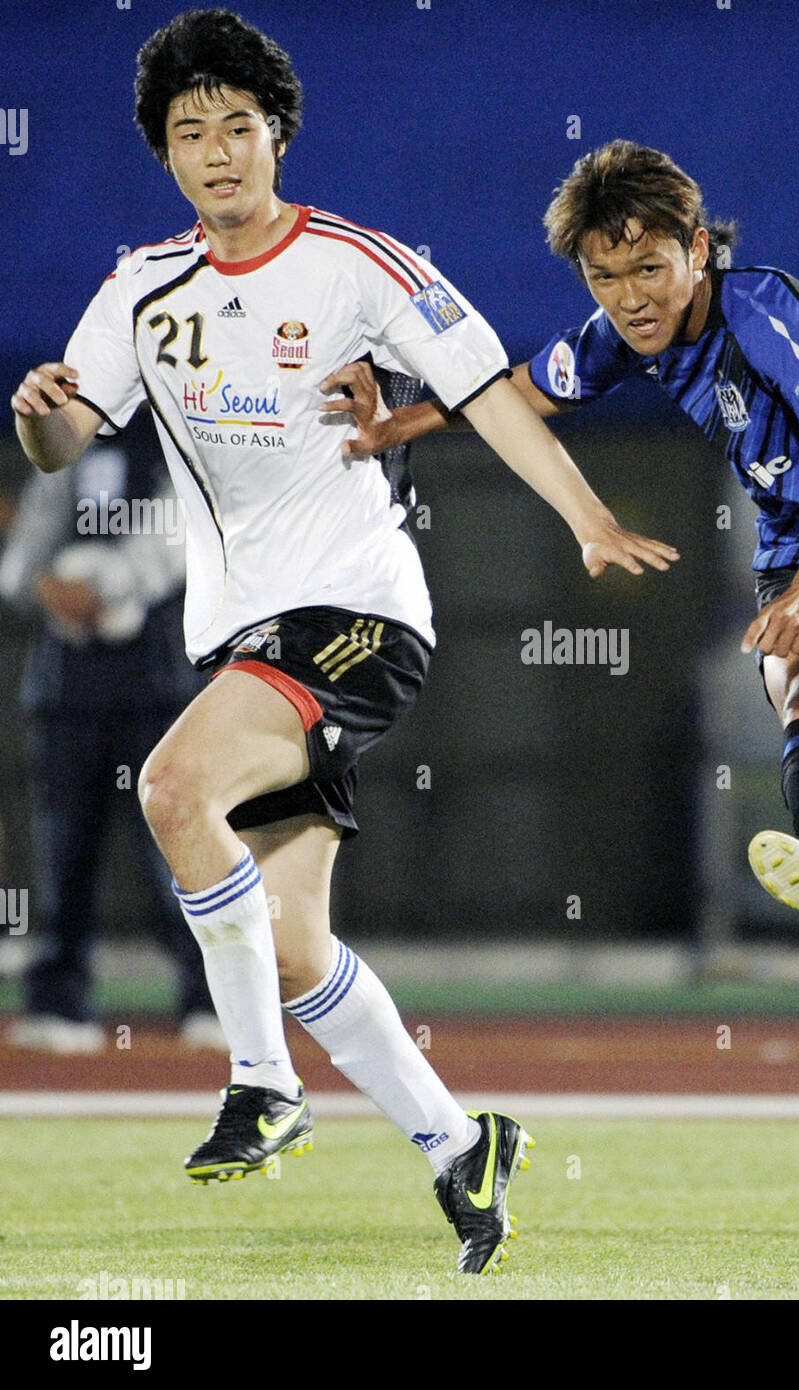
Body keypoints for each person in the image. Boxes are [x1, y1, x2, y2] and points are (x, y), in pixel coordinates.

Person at [9, 12, 676, 1275]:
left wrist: (588, 516)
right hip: (245, 638)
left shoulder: (363, 265)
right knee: (297, 943)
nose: (217, 152)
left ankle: (260, 1080)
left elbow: (488, 388)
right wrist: (40, 413)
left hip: (359, 614)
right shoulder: (141, 288)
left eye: (238, 126)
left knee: (170, 785)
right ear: (164, 153)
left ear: (277, 135)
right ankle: (454, 1140)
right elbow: (69, 437)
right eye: (189, 132)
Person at [352, 140, 799, 1273]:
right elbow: (521, 394)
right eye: (604, 278)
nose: (629, 297)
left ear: (699, 248)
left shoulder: (764, 307)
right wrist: (399, 423)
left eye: (648, 267)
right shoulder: (625, 334)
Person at [0, 422, 223, 1052]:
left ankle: (208, 998)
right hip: (68, 687)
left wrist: (102, 586)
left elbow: (180, 539)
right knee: (63, 849)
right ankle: (60, 1002)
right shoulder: (65, 452)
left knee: (176, 850)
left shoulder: (180, 442)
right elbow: (24, 555)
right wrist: (43, 583)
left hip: (156, 682)